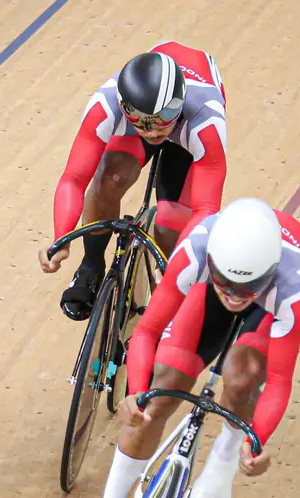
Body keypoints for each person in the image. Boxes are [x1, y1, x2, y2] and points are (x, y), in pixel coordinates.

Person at [64, 197, 300, 498]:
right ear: (211, 262)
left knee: (243, 376)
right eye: (226, 283)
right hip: (208, 290)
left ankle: (226, 453)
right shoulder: (197, 250)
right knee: (159, 392)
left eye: (245, 288)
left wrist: (255, 441)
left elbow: (279, 380)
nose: (233, 295)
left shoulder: (291, 289)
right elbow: (147, 330)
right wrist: (136, 390)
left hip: (267, 309)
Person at [37, 41, 229, 321]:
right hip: (160, 120)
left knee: (172, 219)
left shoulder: (206, 118)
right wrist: (61, 236)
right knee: (109, 180)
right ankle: (91, 266)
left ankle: (167, 290)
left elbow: (205, 210)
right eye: (140, 122)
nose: (153, 131)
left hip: (187, 129)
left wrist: (181, 265)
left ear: (179, 102)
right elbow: (74, 179)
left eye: (163, 118)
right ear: (124, 106)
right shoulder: (105, 105)